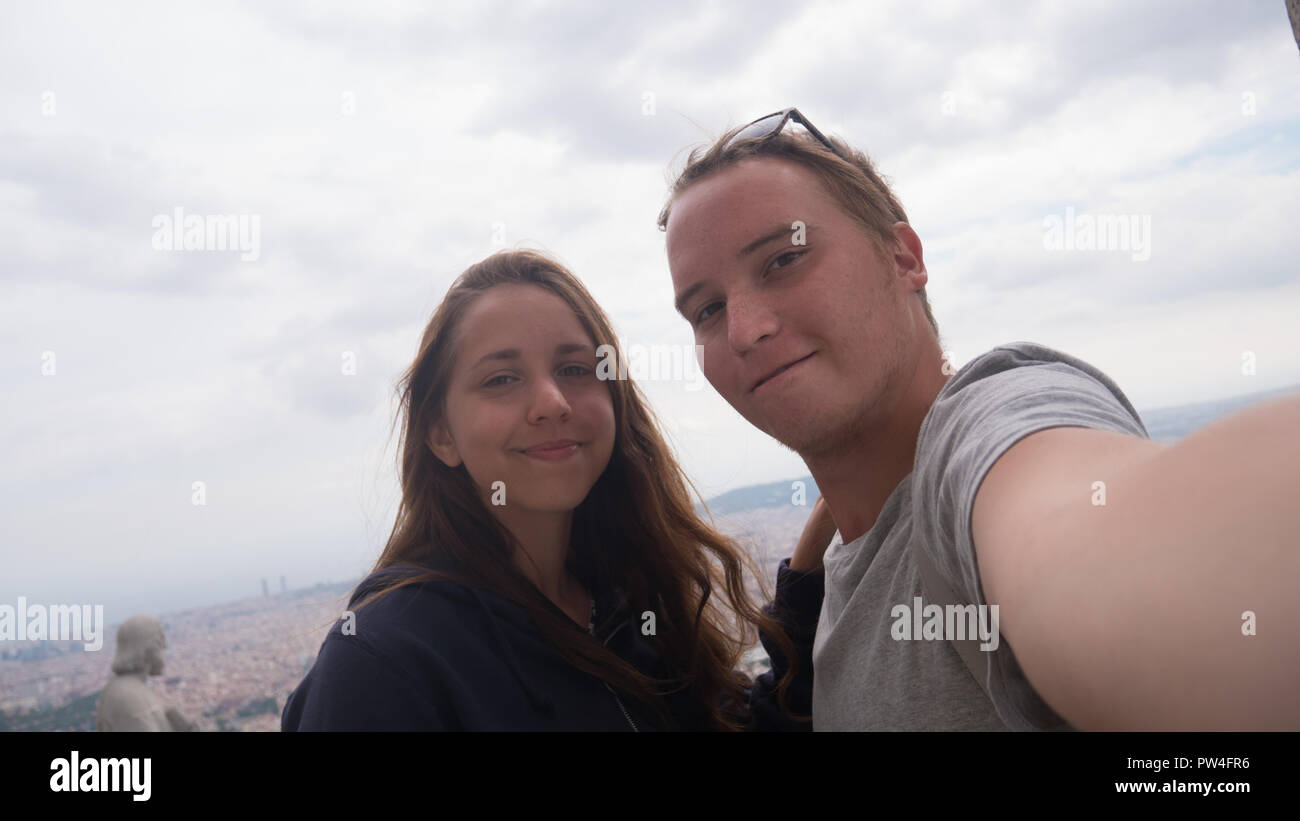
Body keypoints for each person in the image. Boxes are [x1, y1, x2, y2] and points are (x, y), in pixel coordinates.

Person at [658, 108, 1299, 731]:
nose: (743, 330)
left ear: (903, 257)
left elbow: (1105, 543)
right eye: (707, 309)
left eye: (782, 259)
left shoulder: (992, 430)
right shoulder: (842, 568)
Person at [282, 249, 827, 731]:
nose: (552, 402)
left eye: (574, 368)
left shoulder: (625, 602)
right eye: (502, 379)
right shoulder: (386, 664)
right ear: (441, 434)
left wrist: (812, 578)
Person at [97, 615, 196, 732]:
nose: (165, 647)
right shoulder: (129, 697)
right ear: (147, 647)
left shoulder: (130, 689)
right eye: (159, 642)